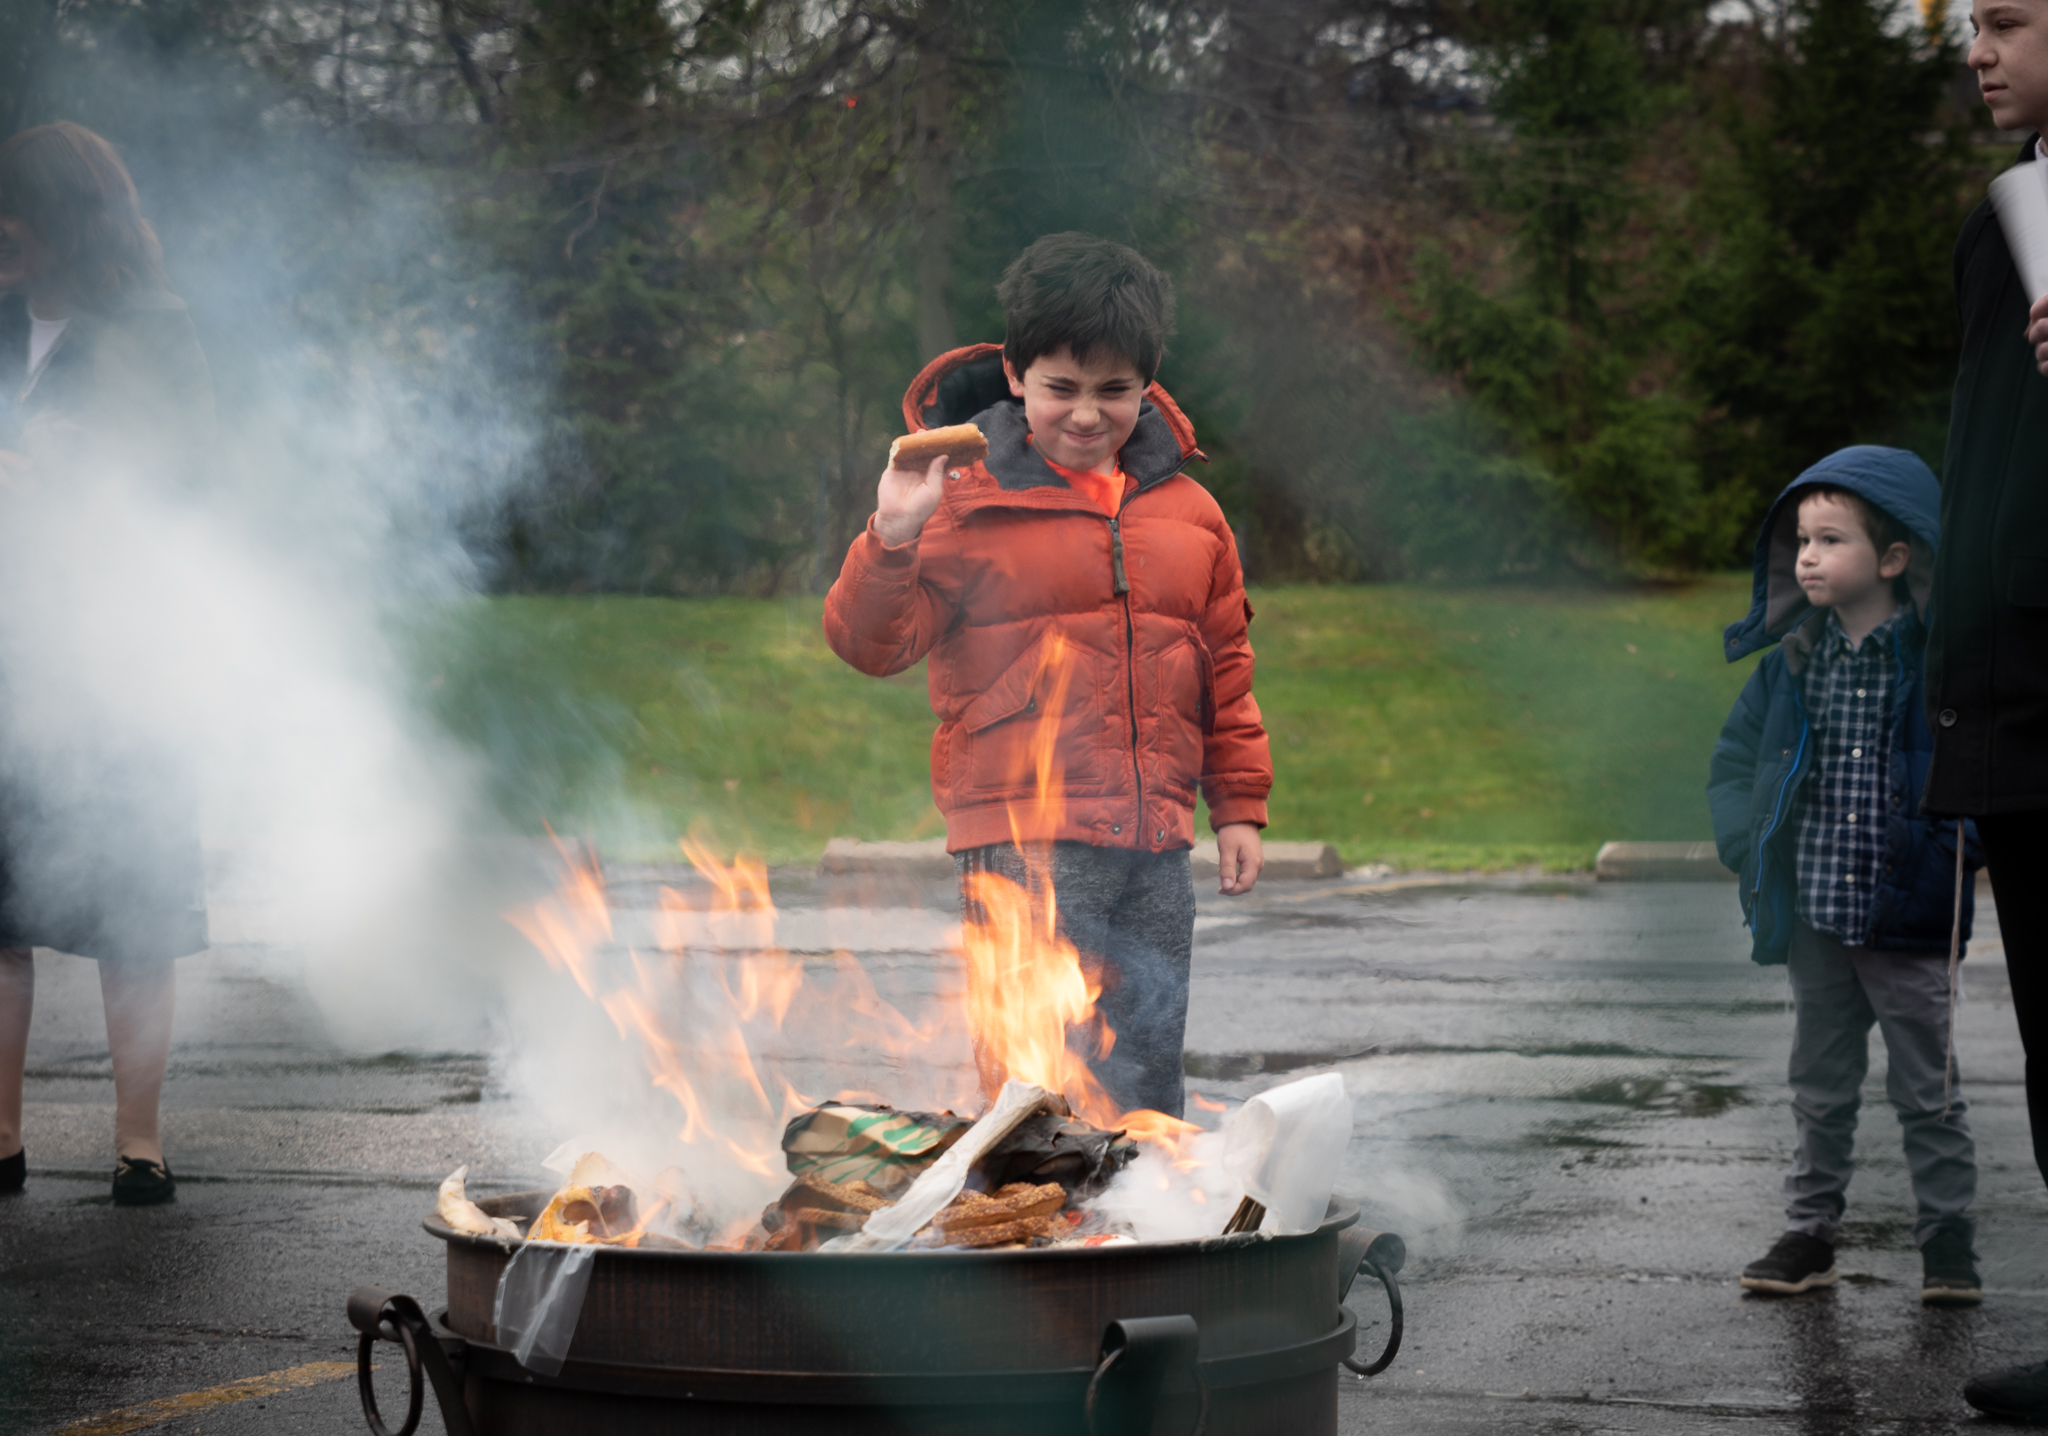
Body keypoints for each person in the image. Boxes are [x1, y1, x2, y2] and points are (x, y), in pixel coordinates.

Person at [822, 233, 1271, 1119]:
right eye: (1061, 388)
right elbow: (870, 644)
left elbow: (1223, 670)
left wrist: (1242, 806)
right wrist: (893, 534)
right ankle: (1033, 1236)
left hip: (1154, 841)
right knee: (1039, 1086)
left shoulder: (1191, 512)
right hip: (1025, 838)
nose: (1085, 414)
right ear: (1018, 374)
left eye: (1113, 390)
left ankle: (1141, 1235)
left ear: (1148, 385)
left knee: (1145, 1068)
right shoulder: (960, 497)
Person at [1708, 447, 1983, 1307]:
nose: (1808, 559)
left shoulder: (1940, 664)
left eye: (1831, 540)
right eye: (1800, 541)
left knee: (1928, 1096)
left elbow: (1983, 765)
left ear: (1895, 559)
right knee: (1819, 1089)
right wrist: (1744, 843)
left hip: (1909, 921)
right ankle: (1810, 1233)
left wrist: (1959, 850)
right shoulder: (1792, 661)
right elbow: (1733, 762)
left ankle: (1948, 1244)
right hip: (1818, 918)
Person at [0, 122, 212, 1207]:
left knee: (135, 909)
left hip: (124, 660)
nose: (1, 233)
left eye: (16, 211)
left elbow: (184, 484)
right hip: (9, 654)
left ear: (64, 221)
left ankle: (140, 1142)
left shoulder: (152, 331)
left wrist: (66, 484)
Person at [1922, 0, 2048, 1415]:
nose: (1975, 46)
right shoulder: (2001, 224)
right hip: (2014, 705)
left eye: (2007, 17)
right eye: (1965, 21)